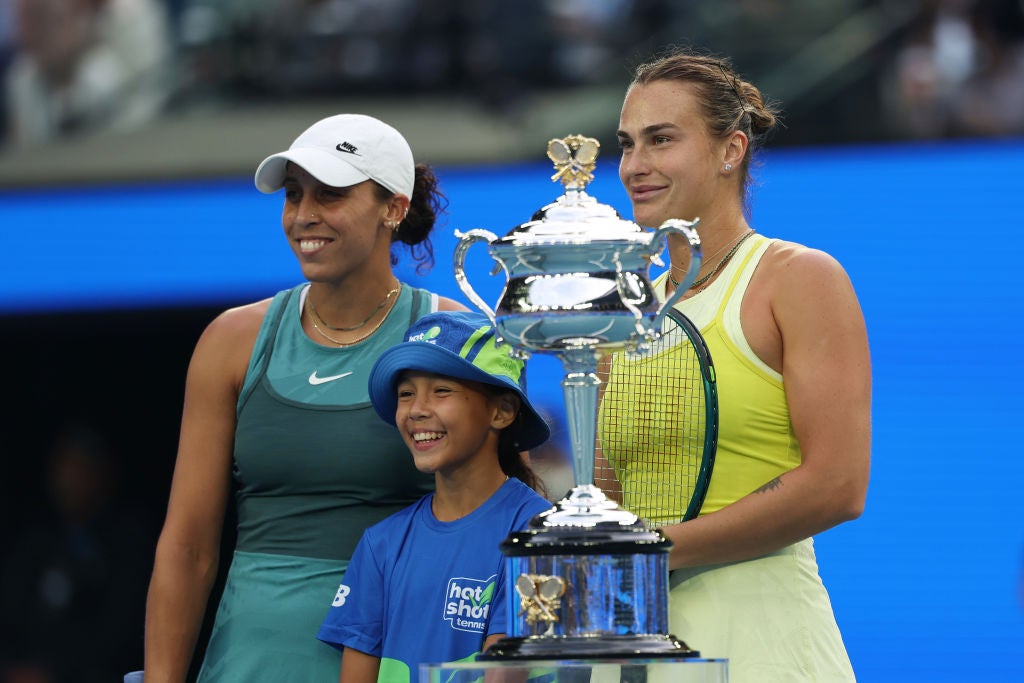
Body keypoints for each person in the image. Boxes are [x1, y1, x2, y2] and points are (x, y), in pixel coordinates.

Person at [142, 113, 467, 683]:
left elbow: (485, 535)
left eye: (330, 194)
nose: (303, 215)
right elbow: (187, 546)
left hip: (397, 660)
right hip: (246, 665)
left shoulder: (452, 337)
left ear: (393, 208)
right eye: (294, 194)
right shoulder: (229, 342)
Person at [609, 49, 871, 681]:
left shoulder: (798, 278)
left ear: (731, 150)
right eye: (627, 144)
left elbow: (838, 485)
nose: (635, 165)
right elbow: (609, 496)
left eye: (661, 140)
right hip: (631, 646)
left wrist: (655, 550)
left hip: (763, 643)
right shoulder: (623, 309)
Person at [316, 311, 553, 683]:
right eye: (406, 394)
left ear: (502, 410)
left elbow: (504, 674)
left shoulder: (543, 535)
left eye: (441, 391)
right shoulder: (381, 543)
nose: (416, 410)